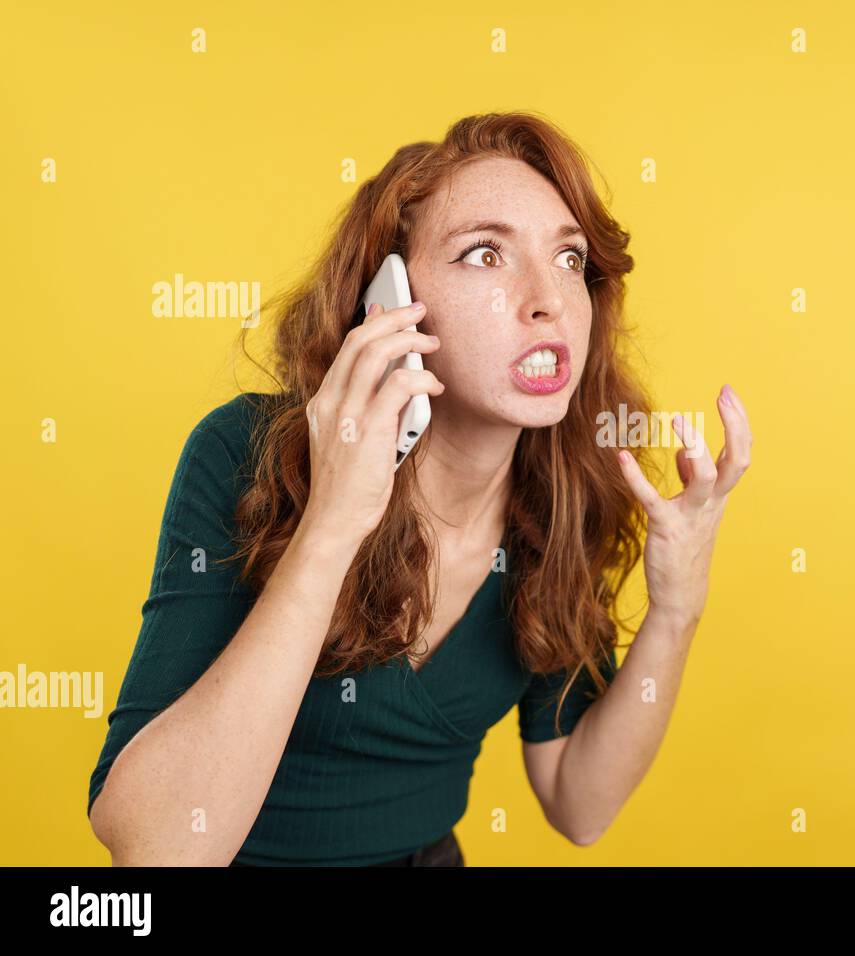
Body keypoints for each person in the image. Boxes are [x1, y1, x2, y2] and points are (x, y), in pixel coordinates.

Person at [86, 111, 753, 866]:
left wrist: (677, 608)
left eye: (570, 261)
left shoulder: (564, 494)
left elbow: (580, 801)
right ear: (387, 301)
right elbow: (155, 850)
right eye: (484, 254)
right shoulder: (250, 454)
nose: (547, 301)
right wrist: (333, 522)